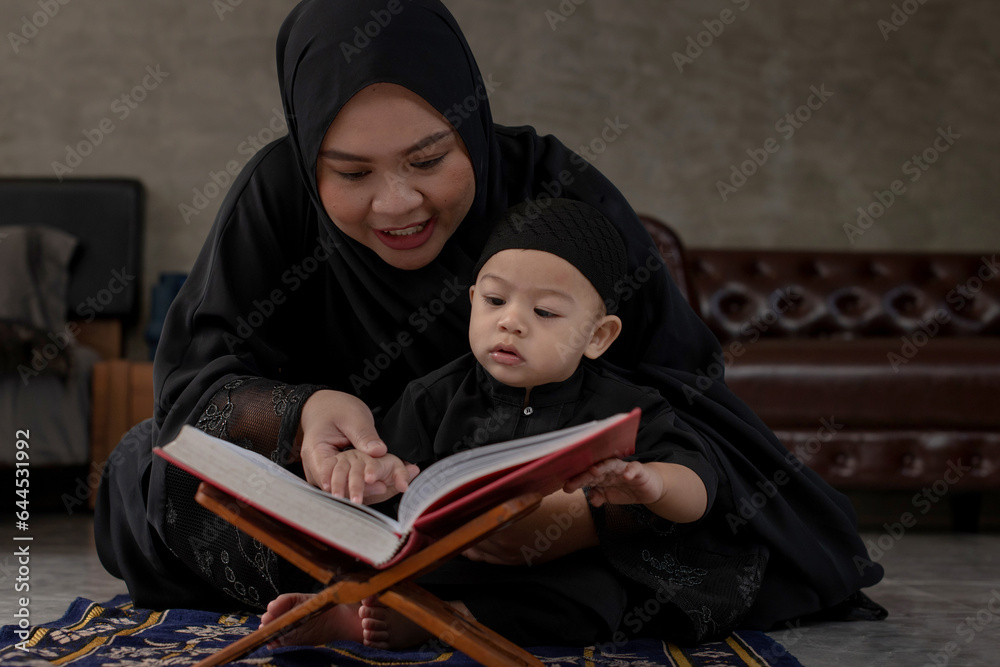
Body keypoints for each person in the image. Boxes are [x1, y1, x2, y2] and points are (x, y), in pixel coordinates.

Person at [94, 0, 883, 649]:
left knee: (706, 508)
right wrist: (305, 413)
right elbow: (193, 388)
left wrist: (585, 514)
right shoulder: (276, 192)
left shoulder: (552, 187)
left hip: (540, 503)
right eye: (352, 173)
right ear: (309, 158)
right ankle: (399, 587)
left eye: (430, 158)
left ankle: (394, 596)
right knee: (147, 470)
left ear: (469, 125)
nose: (398, 204)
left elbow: (681, 389)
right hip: (348, 493)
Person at [261, 198, 743, 648]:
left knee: (596, 596)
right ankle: (354, 611)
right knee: (365, 555)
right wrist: (376, 475)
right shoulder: (435, 395)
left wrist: (654, 483)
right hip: (447, 561)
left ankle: (447, 620)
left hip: (551, 570)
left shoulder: (626, 406)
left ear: (598, 336)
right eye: (495, 301)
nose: (511, 322)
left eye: (545, 311)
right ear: (472, 300)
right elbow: (391, 478)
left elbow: (699, 488)